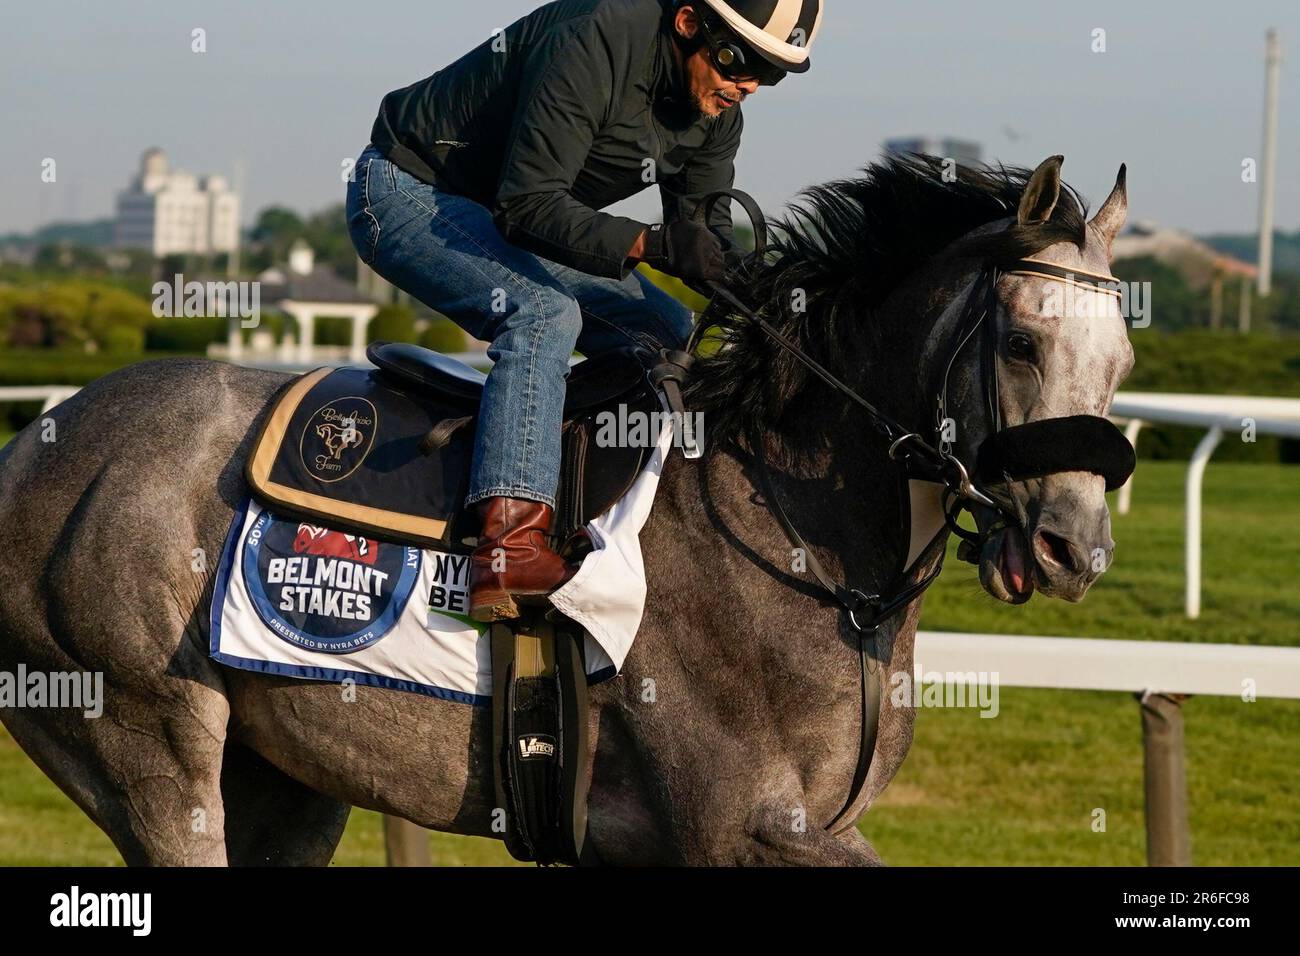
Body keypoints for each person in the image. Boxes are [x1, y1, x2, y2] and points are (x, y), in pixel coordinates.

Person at [346, 0, 823, 621]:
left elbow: (705, 236)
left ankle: (586, 514)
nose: (749, 84)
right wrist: (652, 243)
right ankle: (508, 545)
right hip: (409, 194)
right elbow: (528, 206)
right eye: (741, 61)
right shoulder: (596, 34)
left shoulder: (716, 111)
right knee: (544, 316)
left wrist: (776, 298)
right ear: (687, 23)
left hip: (498, 222)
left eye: (770, 74)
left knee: (665, 329)